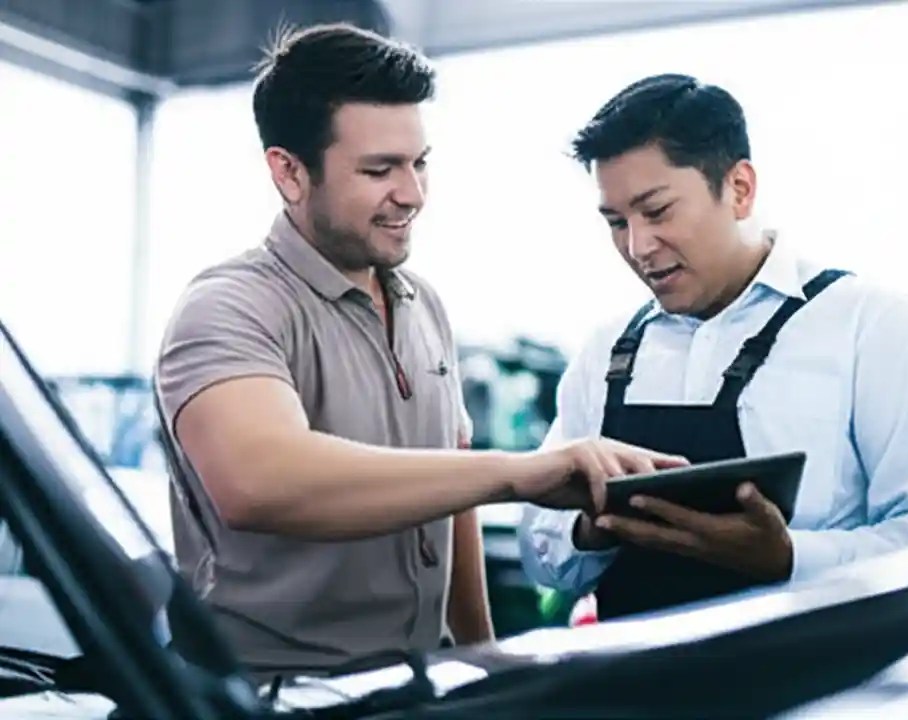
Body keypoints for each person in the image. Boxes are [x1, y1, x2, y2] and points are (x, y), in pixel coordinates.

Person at [152, 24, 684, 680]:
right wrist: (517, 472)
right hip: (265, 695)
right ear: (289, 172)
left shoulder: (423, 305)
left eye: (419, 162)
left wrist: (483, 660)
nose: (413, 193)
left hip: (414, 686)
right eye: (380, 170)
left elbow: (450, 491)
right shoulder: (229, 307)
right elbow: (260, 482)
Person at [518, 74, 908, 620]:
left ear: (739, 189)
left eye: (658, 211)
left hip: (820, 690)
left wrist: (788, 557)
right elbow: (540, 548)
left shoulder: (873, 327)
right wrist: (590, 530)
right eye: (617, 222)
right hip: (638, 688)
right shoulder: (607, 351)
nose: (638, 247)